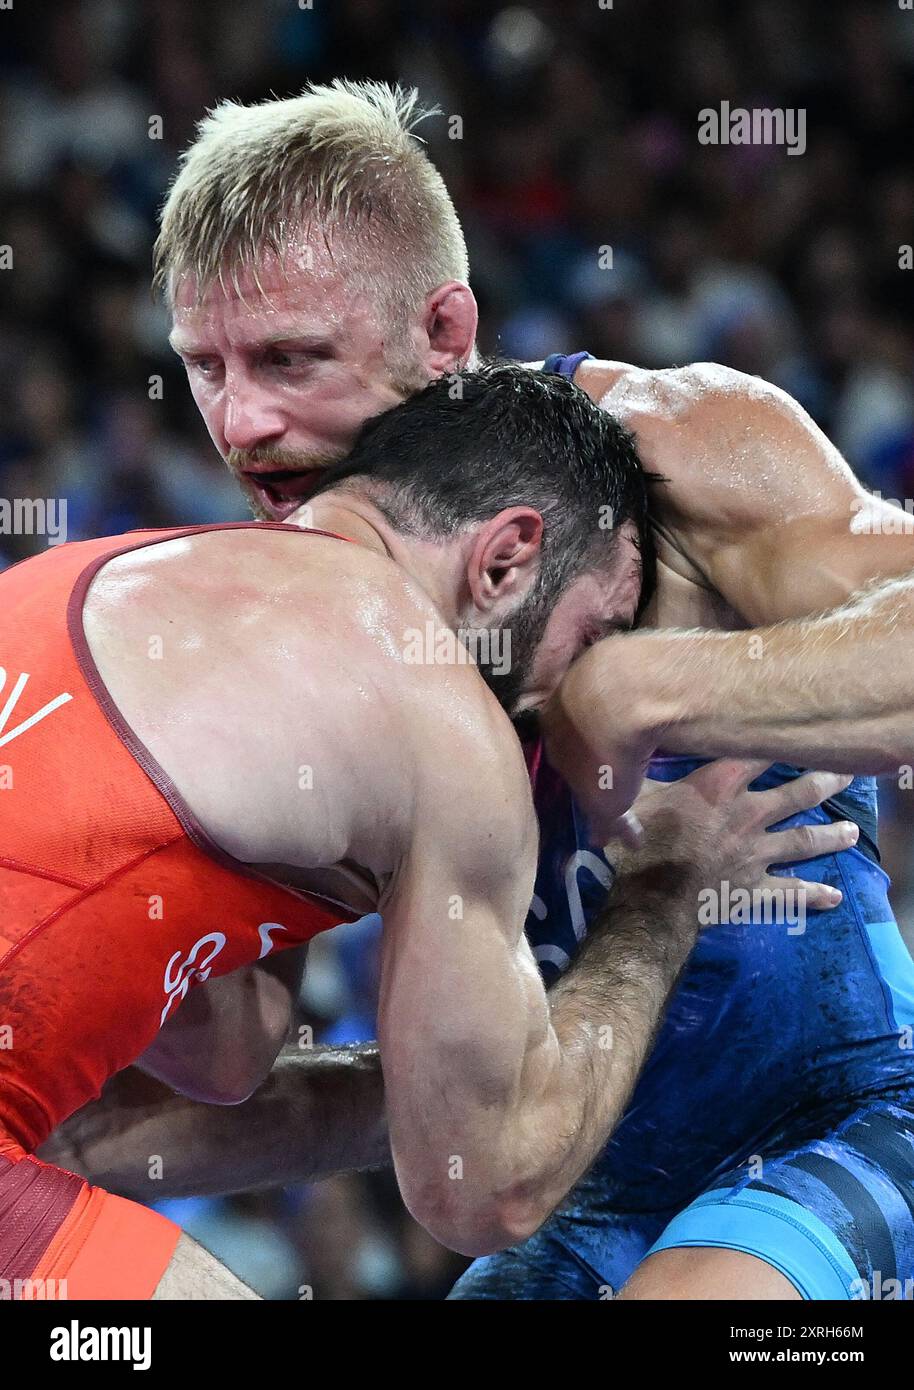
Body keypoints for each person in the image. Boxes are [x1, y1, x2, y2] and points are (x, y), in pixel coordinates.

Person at [45, 81, 914, 1300]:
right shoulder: (275, 624)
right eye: (204, 366)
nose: (241, 422)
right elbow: (246, 1058)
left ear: (444, 333)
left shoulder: (661, 445)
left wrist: (634, 689)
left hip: (838, 1122)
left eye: (292, 359)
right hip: (582, 1183)